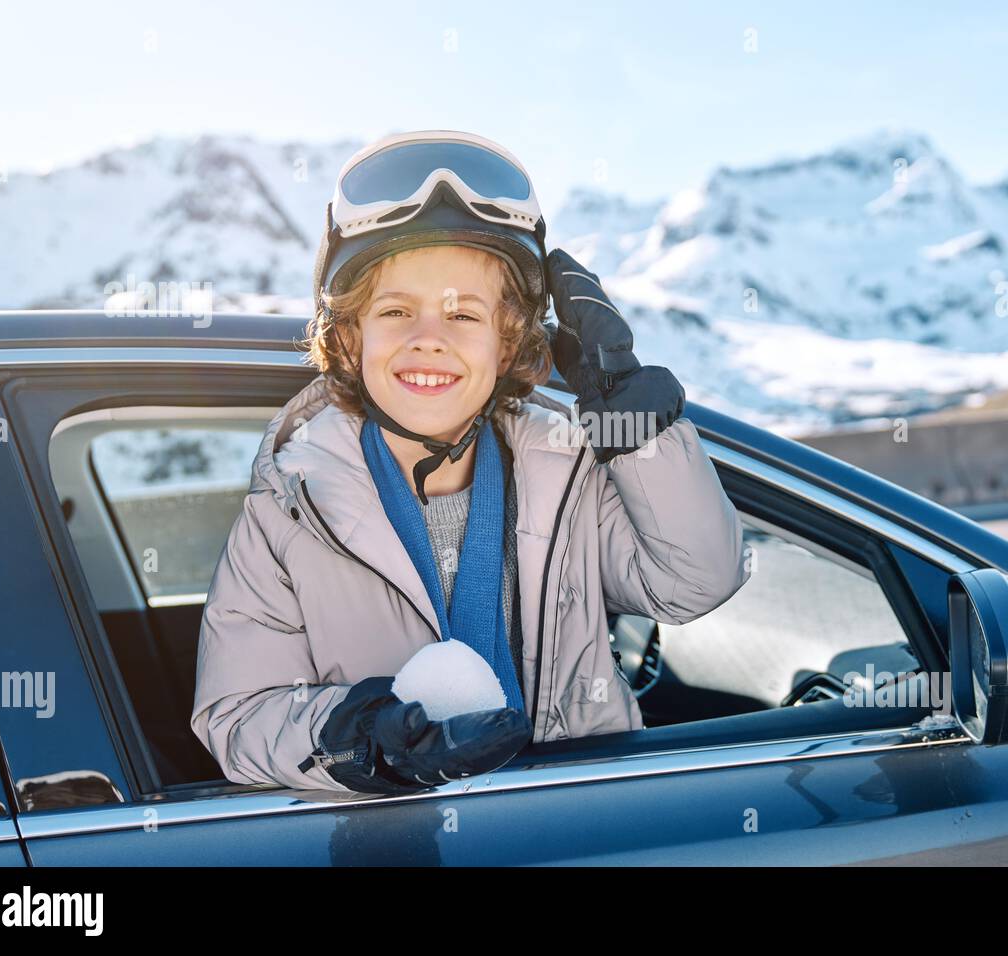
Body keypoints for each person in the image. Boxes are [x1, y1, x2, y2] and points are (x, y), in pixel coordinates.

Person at [190, 130, 750, 794]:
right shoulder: (290, 505)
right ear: (347, 337)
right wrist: (357, 739)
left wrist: (636, 429)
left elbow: (696, 581)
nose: (429, 339)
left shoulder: (568, 470)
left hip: (586, 824)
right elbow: (239, 715)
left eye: (463, 315)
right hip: (398, 837)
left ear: (509, 341)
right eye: (395, 310)